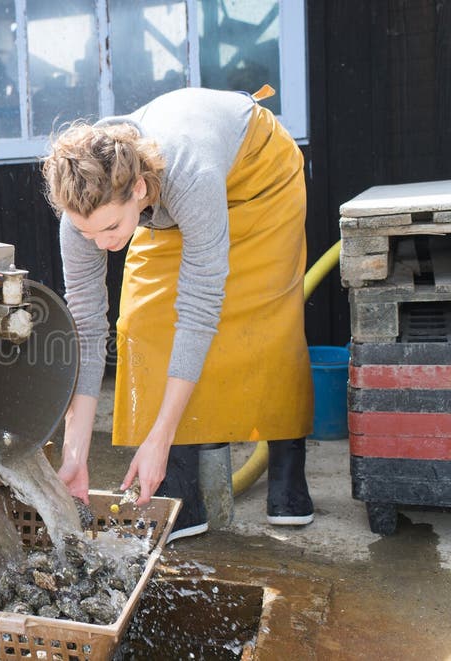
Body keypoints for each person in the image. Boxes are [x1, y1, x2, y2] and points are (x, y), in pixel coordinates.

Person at [42, 87, 314, 541]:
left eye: (111, 228)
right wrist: (75, 453)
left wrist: (159, 438)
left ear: (138, 190)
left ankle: (288, 465)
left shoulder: (189, 176)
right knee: (142, 322)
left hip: (258, 179)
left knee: (268, 319)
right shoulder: (86, 213)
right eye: (88, 234)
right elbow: (86, 327)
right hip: (168, 203)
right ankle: (180, 490)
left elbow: (199, 306)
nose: (102, 244)